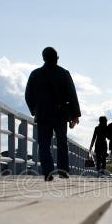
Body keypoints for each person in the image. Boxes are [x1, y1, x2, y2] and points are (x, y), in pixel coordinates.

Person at [25, 47, 81, 181]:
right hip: (60, 113)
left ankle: (48, 171)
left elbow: (28, 95)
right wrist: (75, 114)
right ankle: (63, 171)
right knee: (62, 142)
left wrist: (34, 110)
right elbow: (72, 94)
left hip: (43, 114)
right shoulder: (64, 73)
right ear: (57, 58)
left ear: (43, 58)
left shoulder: (35, 74)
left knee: (44, 144)